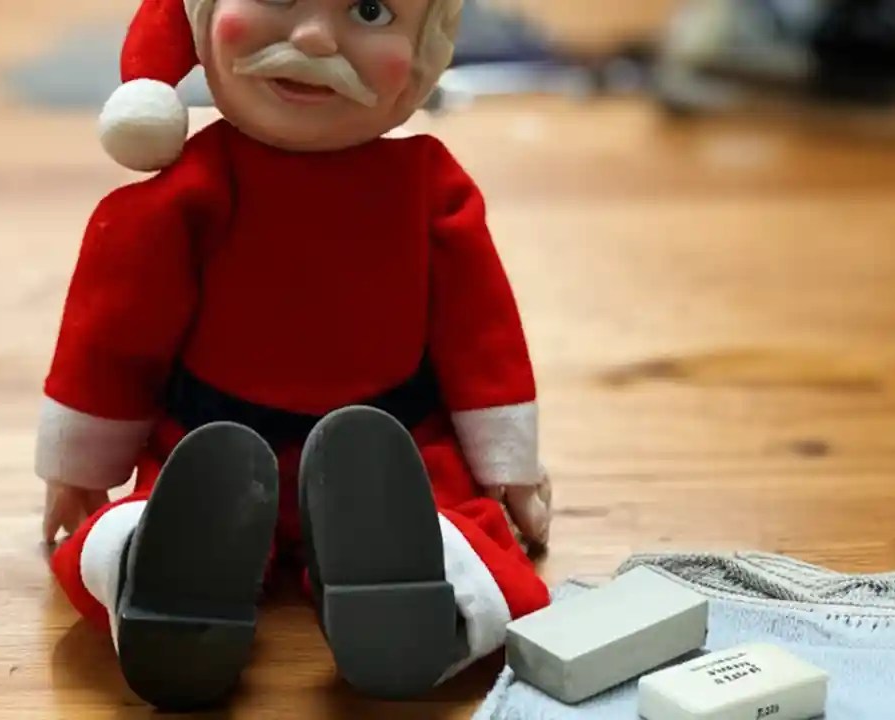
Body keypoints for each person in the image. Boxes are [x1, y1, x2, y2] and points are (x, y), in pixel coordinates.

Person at [36, 0, 553, 710]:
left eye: (370, 10)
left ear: (427, 50)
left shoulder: (428, 186)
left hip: (391, 460)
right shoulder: (188, 193)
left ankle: (424, 602)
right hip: (210, 454)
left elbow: (479, 329)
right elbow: (117, 328)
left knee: (451, 531)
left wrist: (507, 466)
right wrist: (80, 466)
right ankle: (158, 576)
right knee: (157, 514)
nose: (313, 36)